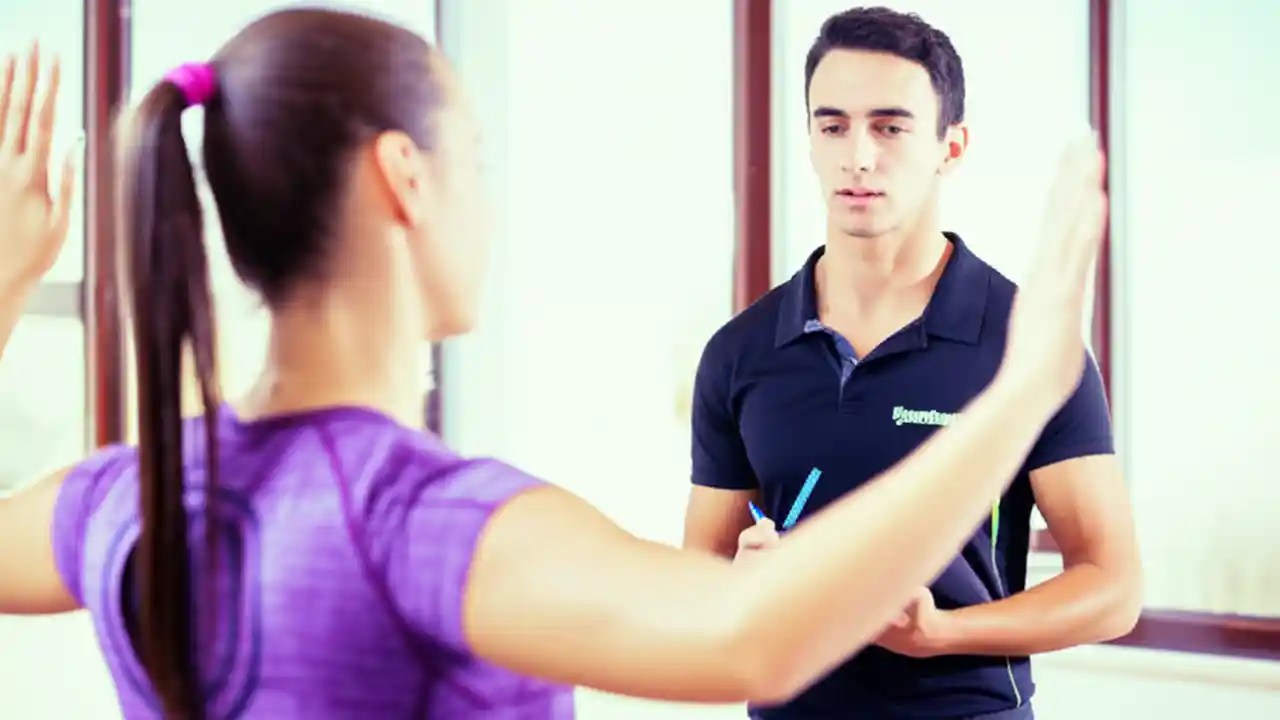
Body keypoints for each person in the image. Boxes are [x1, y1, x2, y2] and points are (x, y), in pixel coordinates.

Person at [0, 8, 1107, 720]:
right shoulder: (429, 523)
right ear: (406, 178)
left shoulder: (122, 501)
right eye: (473, 158)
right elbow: (751, 643)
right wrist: (1014, 401)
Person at [682, 7, 1142, 720]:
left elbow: (1112, 588)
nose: (858, 155)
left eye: (890, 127)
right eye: (832, 126)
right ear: (809, 139)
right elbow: (700, 575)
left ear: (950, 147)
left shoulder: (1027, 344)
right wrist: (740, 586)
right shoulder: (740, 352)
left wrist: (943, 633)